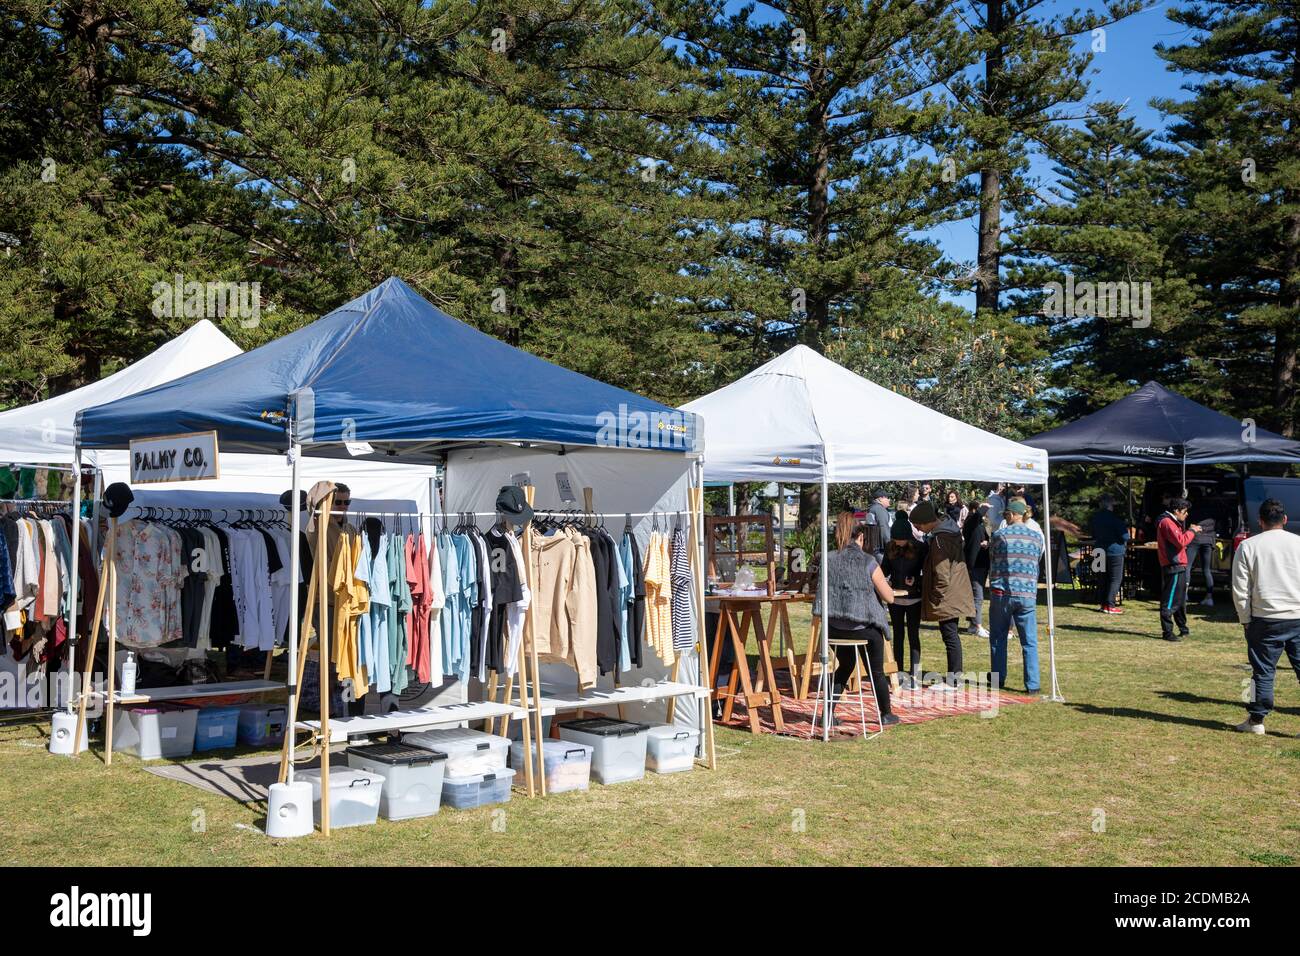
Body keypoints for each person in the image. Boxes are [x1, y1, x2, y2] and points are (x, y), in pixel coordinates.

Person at [813, 521, 899, 726]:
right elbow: (889, 597)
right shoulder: (868, 561)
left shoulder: (828, 559)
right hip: (864, 628)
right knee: (876, 671)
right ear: (861, 538)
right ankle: (886, 714)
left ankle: (827, 714)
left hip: (833, 628)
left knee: (846, 665)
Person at [1231, 498, 1300, 734]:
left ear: (1260, 522)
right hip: (1297, 614)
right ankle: (1255, 718)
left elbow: (1240, 589)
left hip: (1265, 617)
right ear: (1285, 520)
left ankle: (1256, 719)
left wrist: (1245, 619)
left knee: (1261, 671)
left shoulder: (1248, 546)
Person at [908, 500, 973, 689]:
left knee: (950, 635)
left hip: (948, 594)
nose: (918, 529)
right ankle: (955, 678)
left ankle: (954, 680)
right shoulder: (948, 533)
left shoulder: (939, 540)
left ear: (928, 521)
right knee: (951, 635)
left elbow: (942, 574)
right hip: (954, 591)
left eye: (918, 524)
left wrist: (935, 596)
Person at [987, 500, 1044, 693]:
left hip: (1003, 592)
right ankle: (1033, 684)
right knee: (1029, 641)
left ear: (1011, 514)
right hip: (1027, 593)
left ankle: (998, 678)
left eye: (1005, 515)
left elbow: (992, 558)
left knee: (998, 637)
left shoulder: (999, 536)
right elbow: (1037, 561)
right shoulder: (1037, 537)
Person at [883, 510, 927, 688]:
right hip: (895, 598)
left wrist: (916, 580)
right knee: (898, 636)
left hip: (914, 598)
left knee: (913, 635)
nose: (898, 543)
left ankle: (914, 674)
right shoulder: (890, 547)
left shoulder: (921, 548)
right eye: (895, 540)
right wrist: (885, 581)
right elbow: (884, 569)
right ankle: (898, 672)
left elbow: (928, 572)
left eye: (900, 540)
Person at [1156, 497, 1200, 642]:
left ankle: (1183, 628)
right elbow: (1181, 541)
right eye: (1185, 511)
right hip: (1173, 565)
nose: (1186, 514)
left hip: (1178, 565)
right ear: (1176, 510)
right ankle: (1167, 632)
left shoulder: (1172, 522)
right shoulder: (1167, 522)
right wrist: (1192, 531)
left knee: (1180, 600)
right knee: (1170, 601)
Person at [1089, 493, 1130, 615]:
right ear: (1110, 504)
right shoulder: (1115, 519)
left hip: (1098, 550)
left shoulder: (1095, 518)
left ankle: (1103, 603)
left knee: (1102, 577)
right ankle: (1110, 604)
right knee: (1115, 578)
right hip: (1114, 552)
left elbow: (1093, 534)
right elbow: (1125, 536)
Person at [963, 500, 992, 637]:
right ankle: (978, 626)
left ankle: (972, 625)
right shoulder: (970, 520)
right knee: (978, 596)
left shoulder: (979, 524)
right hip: (974, 564)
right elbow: (976, 517)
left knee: (976, 595)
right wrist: (984, 507)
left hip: (982, 562)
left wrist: (987, 543)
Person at [1188, 493, 1218, 606]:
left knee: (1188, 567)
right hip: (1208, 540)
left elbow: (1188, 523)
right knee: (1206, 569)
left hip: (1194, 539)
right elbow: (1215, 524)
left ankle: (1184, 594)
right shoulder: (1211, 508)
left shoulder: (1191, 509)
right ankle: (1209, 597)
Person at [866, 489, 891, 563]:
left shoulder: (872, 508)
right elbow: (883, 527)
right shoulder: (879, 509)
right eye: (887, 497)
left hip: (874, 546)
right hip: (881, 548)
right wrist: (889, 544)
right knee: (884, 572)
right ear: (880, 499)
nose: (889, 500)